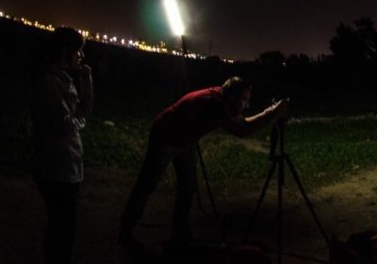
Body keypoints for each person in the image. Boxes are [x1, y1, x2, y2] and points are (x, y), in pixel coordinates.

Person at [119, 77, 289, 249]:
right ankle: (125, 230)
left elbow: (242, 122)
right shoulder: (214, 103)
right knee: (147, 184)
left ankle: (180, 234)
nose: (247, 105)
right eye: (244, 99)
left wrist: (270, 112)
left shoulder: (223, 96)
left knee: (187, 187)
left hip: (186, 140)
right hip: (166, 135)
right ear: (231, 96)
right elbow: (241, 130)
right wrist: (271, 114)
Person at [30, 27, 94, 264]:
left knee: (65, 225)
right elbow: (66, 122)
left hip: (67, 165)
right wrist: (80, 122)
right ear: (65, 51)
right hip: (55, 165)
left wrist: (86, 82)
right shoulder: (49, 81)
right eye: (78, 51)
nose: (81, 56)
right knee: (62, 226)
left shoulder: (64, 79)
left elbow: (82, 111)